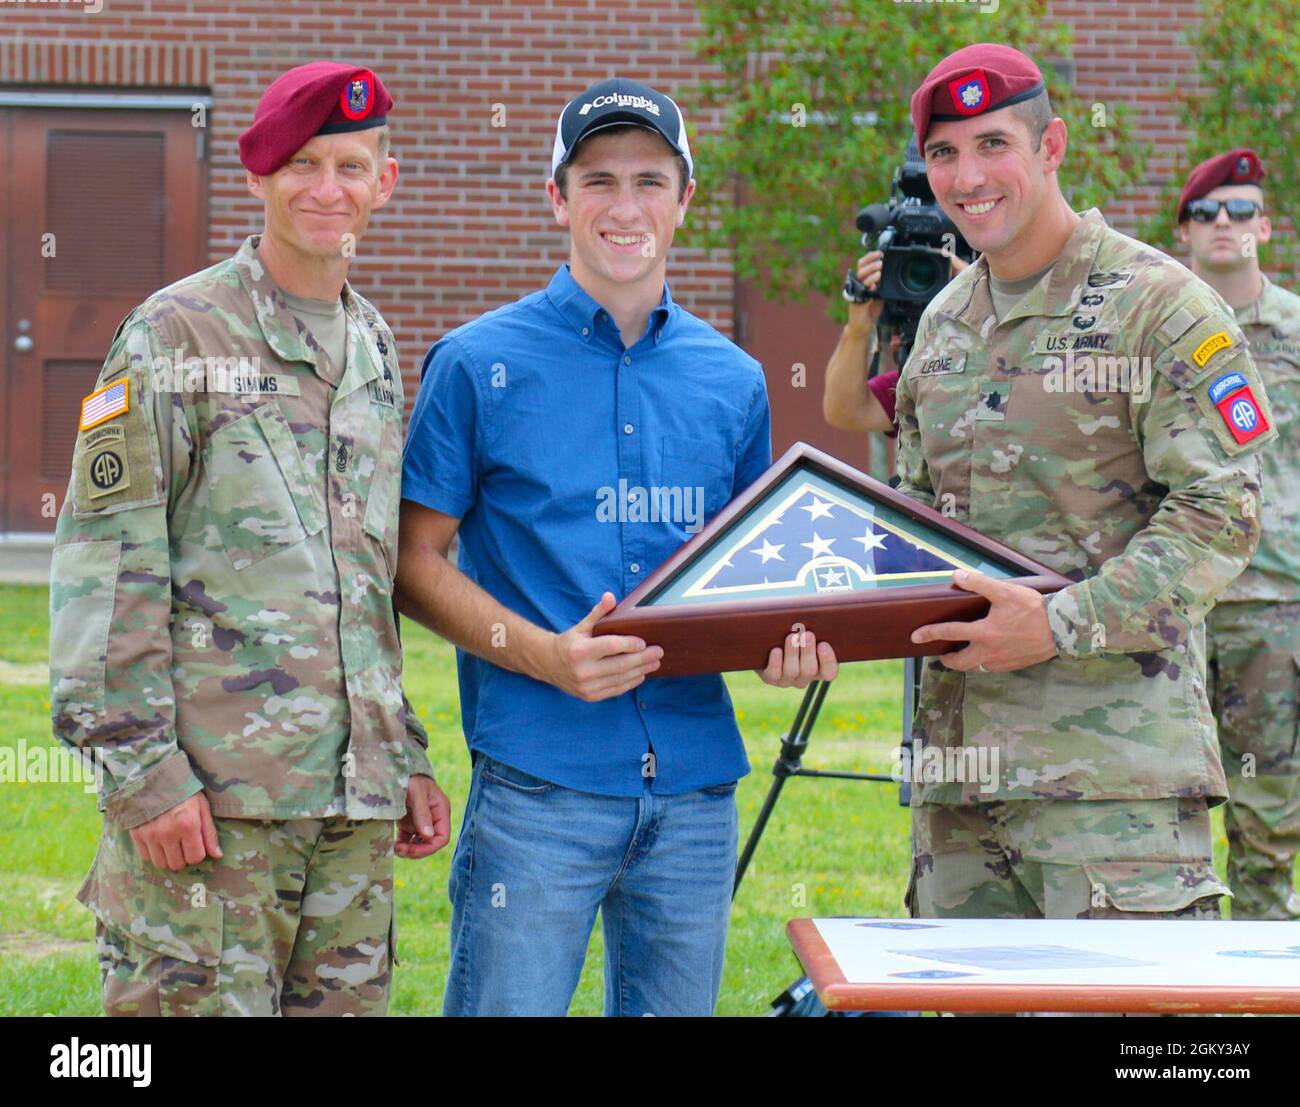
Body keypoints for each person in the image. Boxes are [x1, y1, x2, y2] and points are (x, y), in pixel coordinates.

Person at [396, 77, 838, 1017]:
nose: (624, 206)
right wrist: (545, 657)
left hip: (694, 789)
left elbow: (745, 576)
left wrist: (784, 651)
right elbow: (412, 564)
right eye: (598, 180)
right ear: (557, 197)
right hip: (536, 788)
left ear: (687, 197)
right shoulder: (476, 364)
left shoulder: (735, 380)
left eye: (649, 179)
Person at [49, 61, 450, 1017]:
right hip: (211, 811)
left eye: (352, 166)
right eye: (303, 164)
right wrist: (143, 773)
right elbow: (107, 567)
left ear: (384, 183)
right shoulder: (175, 334)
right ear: (259, 175)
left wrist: (406, 751)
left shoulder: (375, 346)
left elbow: (364, 571)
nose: (328, 189)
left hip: (351, 817)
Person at [894, 44, 1275, 924]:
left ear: (1052, 145)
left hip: (1115, 794)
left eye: (994, 144)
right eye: (944, 154)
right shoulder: (943, 326)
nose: (967, 176)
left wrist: (1060, 624)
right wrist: (823, 619)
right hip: (961, 791)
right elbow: (913, 527)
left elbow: (1222, 515)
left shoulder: (1160, 306)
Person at [1178, 148, 1300, 919]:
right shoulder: (1159, 325)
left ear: (1266, 226)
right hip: (1174, 597)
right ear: (1181, 232)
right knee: (1169, 803)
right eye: (1206, 212)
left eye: (1241, 210)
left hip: (1273, 598)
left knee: (1269, 812)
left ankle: (1265, 981)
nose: (1225, 222)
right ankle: (1180, 988)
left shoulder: (1294, 327)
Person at [823, 250, 967, 436]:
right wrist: (858, 331)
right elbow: (844, 411)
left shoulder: (1008, 368)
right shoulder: (920, 383)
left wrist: (976, 285)